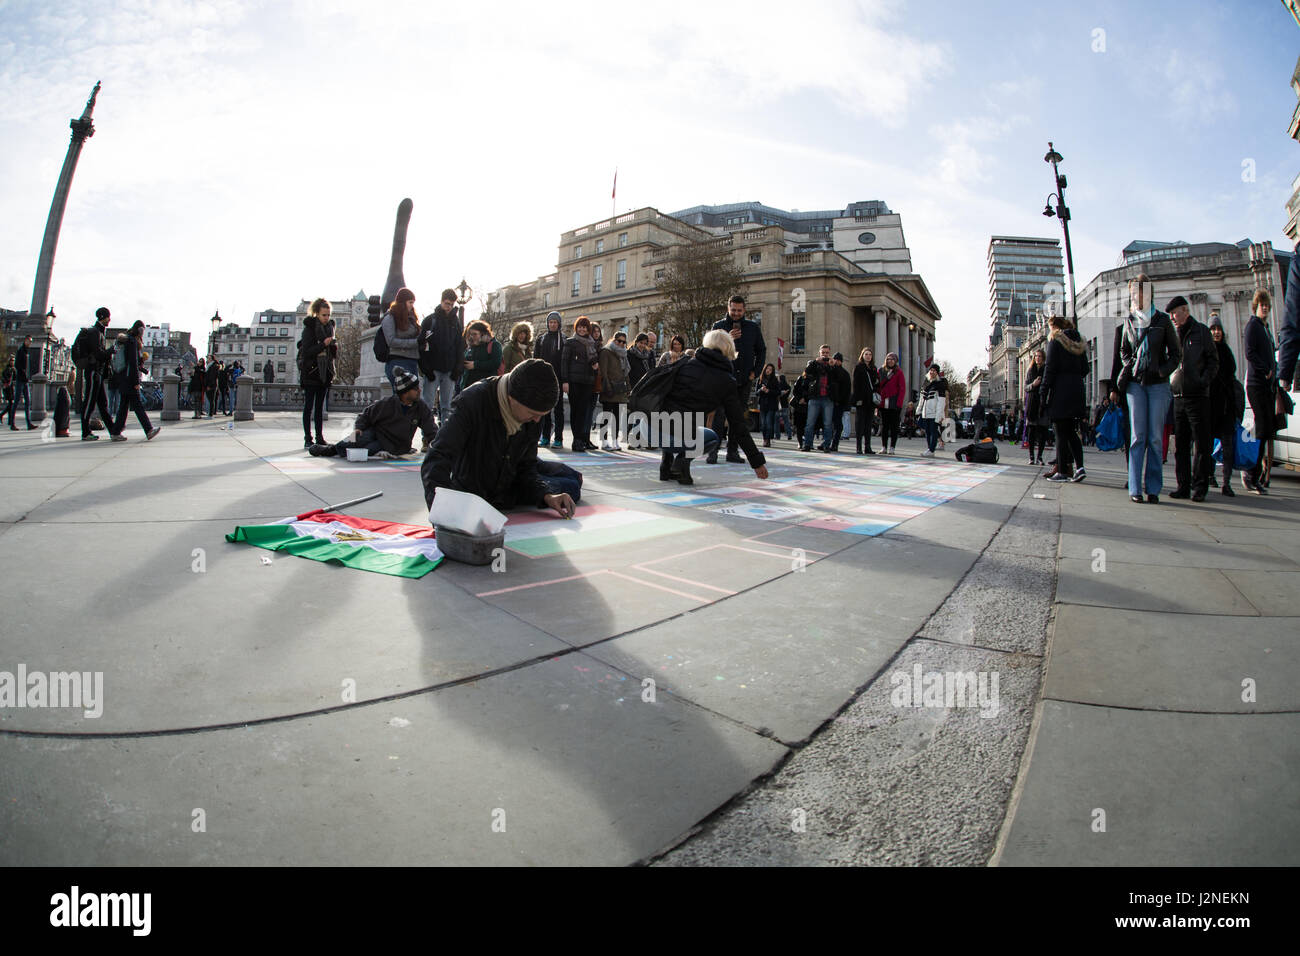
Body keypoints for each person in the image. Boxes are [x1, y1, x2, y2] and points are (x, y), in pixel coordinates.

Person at [421, 358, 576, 519]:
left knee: (571, 486)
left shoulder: (532, 414)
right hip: (475, 492)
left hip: (508, 489)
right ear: (512, 398)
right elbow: (437, 457)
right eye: (533, 414)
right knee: (569, 483)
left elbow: (526, 467)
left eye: (541, 415)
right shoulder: (472, 402)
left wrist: (547, 496)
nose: (537, 420)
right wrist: (444, 513)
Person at [657, 329, 770, 486]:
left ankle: (666, 467)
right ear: (729, 349)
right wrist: (756, 462)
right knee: (710, 437)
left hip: (652, 429)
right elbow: (738, 425)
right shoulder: (726, 380)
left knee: (675, 418)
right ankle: (681, 461)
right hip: (678, 435)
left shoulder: (685, 364)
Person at [1110, 273, 1181, 503]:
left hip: (1158, 385)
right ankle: (1134, 488)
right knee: (1137, 436)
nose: (1134, 298)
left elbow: (1176, 354)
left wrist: (1162, 371)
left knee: (1155, 438)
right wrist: (1130, 366)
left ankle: (1153, 488)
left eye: (1137, 293)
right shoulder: (1129, 321)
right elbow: (1123, 350)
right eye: (1132, 294)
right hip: (1135, 385)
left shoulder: (1163, 321)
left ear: (1148, 294)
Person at [310, 368, 436, 459]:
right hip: (376, 432)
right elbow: (365, 415)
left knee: (366, 450)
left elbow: (431, 430)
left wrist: (438, 447)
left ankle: (342, 451)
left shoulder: (421, 407)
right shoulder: (387, 403)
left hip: (394, 444)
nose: (419, 391)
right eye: (415, 389)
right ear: (405, 392)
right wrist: (359, 428)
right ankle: (331, 449)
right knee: (354, 439)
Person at [1166, 296, 1218, 501]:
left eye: (1174, 313)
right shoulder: (1172, 335)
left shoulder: (1201, 332)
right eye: (1170, 314)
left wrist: (1203, 381)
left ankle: (1200, 486)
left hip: (1198, 395)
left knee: (1202, 444)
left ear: (1185, 311)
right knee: (1181, 445)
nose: (1172, 318)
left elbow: (1213, 361)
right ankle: (1183, 486)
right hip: (1178, 396)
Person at [708, 294, 766, 464]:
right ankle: (713, 451)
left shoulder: (753, 327)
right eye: (733, 310)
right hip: (722, 380)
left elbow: (761, 350)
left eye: (739, 310)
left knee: (738, 418)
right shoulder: (718, 327)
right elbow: (710, 350)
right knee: (719, 416)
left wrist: (755, 372)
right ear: (728, 308)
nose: (736, 313)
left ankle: (732, 451)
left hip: (743, 380)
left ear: (744, 310)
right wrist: (728, 338)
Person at [1040, 315, 1088, 482]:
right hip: (1077, 390)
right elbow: (1085, 369)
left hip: (1060, 391)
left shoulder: (1055, 341)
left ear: (1055, 327)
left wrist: (1043, 392)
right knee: (1071, 432)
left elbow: (1049, 369)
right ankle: (1080, 467)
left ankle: (1061, 471)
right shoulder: (1079, 343)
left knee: (1060, 432)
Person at [1242, 289, 1278, 495]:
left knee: (1265, 431)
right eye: (1261, 305)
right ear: (1255, 306)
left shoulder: (1266, 329)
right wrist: (1265, 370)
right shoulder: (1253, 326)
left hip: (1267, 387)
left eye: (1267, 305)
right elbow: (1249, 352)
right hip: (1256, 384)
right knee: (1262, 429)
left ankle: (1255, 473)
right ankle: (1251, 474)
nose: (1264, 308)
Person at [418, 289, 465, 426]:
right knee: (427, 404)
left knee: (447, 406)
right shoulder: (430, 320)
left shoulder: (456, 323)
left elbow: (460, 346)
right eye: (446, 303)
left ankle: (444, 434)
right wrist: (426, 368)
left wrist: (458, 368)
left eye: (451, 304)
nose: (448, 307)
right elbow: (421, 345)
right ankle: (427, 434)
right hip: (433, 369)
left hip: (449, 369)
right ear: (441, 301)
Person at [109, 321, 161, 441]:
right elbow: (132, 363)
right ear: (139, 330)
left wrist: (140, 363)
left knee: (123, 407)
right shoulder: (132, 341)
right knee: (137, 406)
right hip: (130, 380)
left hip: (123, 378)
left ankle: (116, 432)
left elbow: (130, 362)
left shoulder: (126, 340)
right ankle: (148, 430)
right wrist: (136, 382)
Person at [1208, 317, 1239, 496]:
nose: (1216, 332)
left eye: (1218, 329)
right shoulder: (1206, 352)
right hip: (1211, 404)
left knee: (1228, 445)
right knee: (1208, 443)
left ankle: (1226, 482)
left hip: (1226, 405)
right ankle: (1210, 475)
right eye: (1213, 329)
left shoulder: (1227, 351)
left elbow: (1232, 374)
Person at [299, 298, 335, 448]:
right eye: (323, 315)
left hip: (325, 372)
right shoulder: (309, 329)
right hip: (311, 371)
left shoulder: (330, 329)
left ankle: (320, 437)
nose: (326, 318)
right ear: (317, 313)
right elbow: (306, 351)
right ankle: (308, 438)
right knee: (309, 406)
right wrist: (323, 345)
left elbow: (332, 354)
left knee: (320, 407)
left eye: (328, 315)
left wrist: (333, 347)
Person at [561, 315, 599, 451]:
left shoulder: (592, 343)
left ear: (588, 329)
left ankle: (581, 439)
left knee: (583, 411)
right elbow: (564, 362)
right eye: (580, 327)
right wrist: (565, 381)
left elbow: (594, 362)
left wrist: (595, 368)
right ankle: (576, 440)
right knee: (575, 411)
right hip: (574, 381)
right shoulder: (570, 342)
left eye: (584, 327)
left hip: (587, 382)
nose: (582, 330)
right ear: (576, 328)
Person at [534, 311, 566, 448]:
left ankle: (558, 438)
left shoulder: (564, 340)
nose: (553, 325)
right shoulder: (541, 339)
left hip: (558, 378)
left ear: (559, 324)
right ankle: (545, 436)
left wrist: (565, 380)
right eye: (551, 322)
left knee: (558, 410)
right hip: (544, 379)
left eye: (555, 322)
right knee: (545, 410)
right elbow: (535, 359)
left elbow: (565, 362)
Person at [381, 288, 421, 394]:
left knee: (412, 396)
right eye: (410, 302)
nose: (412, 305)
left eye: (413, 303)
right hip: (397, 361)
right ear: (403, 302)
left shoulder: (412, 318)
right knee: (403, 396)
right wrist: (416, 342)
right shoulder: (389, 318)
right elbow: (391, 341)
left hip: (413, 361)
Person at [597, 330, 632, 450]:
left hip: (620, 389)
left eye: (623, 342)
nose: (621, 343)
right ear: (614, 340)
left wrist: (628, 388)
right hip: (609, 388)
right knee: (606, 415)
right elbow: (603, 371)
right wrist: (607, 387)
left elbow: (626, 372)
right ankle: (604, 441)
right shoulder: (606, 351)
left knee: (617, 416)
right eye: (619, 341)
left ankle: (615, 440)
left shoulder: (624, 354)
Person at [801, 345, 836, 453]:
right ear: (819, 353)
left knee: (827, 423)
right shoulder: (815, 364)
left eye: (827, 353)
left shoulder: (832, 365)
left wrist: (833, 366)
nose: (825, 355)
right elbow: (806, 372)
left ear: (829, 354)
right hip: (815, 397)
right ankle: (807, 444)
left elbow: (837, 378)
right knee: (810, 422)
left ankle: (826, 445)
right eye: (823, 353)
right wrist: (815, 362)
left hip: (828, 398)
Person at [460, 319, 503, 391]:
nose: (472, 336)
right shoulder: (471, 346)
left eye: (475, 334)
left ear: (483, 334)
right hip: (468, 385)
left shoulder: (494, 345)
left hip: (486, 386)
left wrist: (475, 365)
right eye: (471, 334)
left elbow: (495, 363)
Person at [877, 351, 906, 454]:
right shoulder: (881, 371)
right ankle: (884, 447)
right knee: (884, 426)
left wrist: (899, 404)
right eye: (888, 359)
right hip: (883, 403)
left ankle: (892, 447)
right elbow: (877, 385)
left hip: (894, 403)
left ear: (896, 361)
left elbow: (902, 389)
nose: (890, 361)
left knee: (894, 427)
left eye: (892, 359)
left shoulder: (899, 372)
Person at [1023, 349, 1049, 465]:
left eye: (1039, 356)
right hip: (1032, 404)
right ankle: (1031, 456)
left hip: (1043, 403)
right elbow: (1026, 387)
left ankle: (1040, 456)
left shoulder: (1046, 370)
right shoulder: (1030, 370)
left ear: (1043, 358)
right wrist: (1033, 384)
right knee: (1031, 431)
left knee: (1042, 431)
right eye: (1036, 356)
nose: (1037, 358)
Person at [852, 347, 880, 455]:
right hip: (862, 399)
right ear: (862, 355)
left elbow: (877, 383)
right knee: (860, 424)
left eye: (870, 354)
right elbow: (856, 384)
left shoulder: (873, 368)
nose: (868, 356)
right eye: (866, 354)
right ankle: (858, 447)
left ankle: (868, 446)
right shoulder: (859, 367)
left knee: (868, 424)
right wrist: (857, 399)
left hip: (871, 400)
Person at [917, 363, 947, 457]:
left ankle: (931, 449)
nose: (932, 372)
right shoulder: (926, 383)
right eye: (931, 370)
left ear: (937, 373)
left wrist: (939, 415)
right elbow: (921, 399)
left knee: (933, 431)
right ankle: (929, 448)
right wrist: (918, 411)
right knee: (927, 431)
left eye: (934, 370)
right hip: (925, 412)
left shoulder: (940, 384)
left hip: (934, 412)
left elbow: (941, 401)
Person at [756, 363, 788, 447]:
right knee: (763, 425)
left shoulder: (775, 380)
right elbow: (756, 393)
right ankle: (764, 439)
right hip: (763, 405)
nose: (768, 371)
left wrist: (769, 391)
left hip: (771, 405)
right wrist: (761, 390)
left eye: (770, 370)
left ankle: (768, 440)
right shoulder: (760, 379)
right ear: (764, 369)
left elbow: (778, 392)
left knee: (768, 424)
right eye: (767, 369)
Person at [9, 335, 37, 430]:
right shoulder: (21, 351)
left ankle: (29, 423)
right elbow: (18, 366)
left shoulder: (26, 351)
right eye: (29, 341)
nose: (30, 343)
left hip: (25, 380)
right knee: (16, 402)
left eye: (31, 341)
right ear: (25, 340)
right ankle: (12, 424)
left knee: (27, 402)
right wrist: (24, 375)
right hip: (20, 380)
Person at [829, 352, 853, 451]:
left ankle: (834, 444)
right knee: (829, 423)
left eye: (837, 360)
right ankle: (827, 442)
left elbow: (846, 391)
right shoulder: (830, 370)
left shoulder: (844, 373)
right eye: (835, 359)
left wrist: (841, 401)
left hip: (839, 402)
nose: (835, 361)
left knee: (837, 424)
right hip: (830, 401)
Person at [0, 356, 15, 425]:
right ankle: (3, 416)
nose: (12, 362)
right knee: (11, 404)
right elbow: (6, 379)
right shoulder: (7, 369)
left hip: (10, 388)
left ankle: (9, 420)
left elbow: (15, 378)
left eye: (13, 360)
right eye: (11, 360)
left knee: (10, 404)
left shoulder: (12, 369)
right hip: (8, 388)